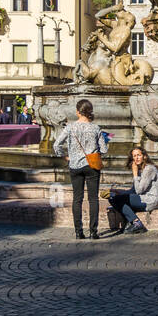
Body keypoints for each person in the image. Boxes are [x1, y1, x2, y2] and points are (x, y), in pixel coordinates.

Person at [53, 99, 108, 239]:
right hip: (92, 165)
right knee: (93, 199)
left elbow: (56, 145)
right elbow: (104, 149)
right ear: (90, 112)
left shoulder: (70, 127)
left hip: (75, 165)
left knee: (77, 199)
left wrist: (65, 156)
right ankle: (93, 232)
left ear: (78, 112)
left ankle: (79, 231)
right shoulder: (96, 128)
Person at [107, 147, 158, 234]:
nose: (136, 158)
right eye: (134, 156)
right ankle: (129, 223)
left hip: (150, 201)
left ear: (144, 156)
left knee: (118, 199)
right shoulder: (140, 169)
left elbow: (139, 191)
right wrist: (118, 191)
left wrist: (134, 174)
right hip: (141, 199)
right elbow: (133, 191)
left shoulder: (149, 169)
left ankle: (137, 223)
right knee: (112, 197)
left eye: (139, 155)